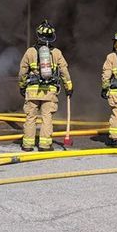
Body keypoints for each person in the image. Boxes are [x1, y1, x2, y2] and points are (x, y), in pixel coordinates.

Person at [18, 19, 73, 151]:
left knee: (30, 117)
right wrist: (69, 87)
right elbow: (64, 71)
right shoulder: (56, 53)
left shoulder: (30, 52)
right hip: (49, 91)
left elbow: (22, 72)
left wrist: (22, 85)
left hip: (32, 91)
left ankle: (27, 145)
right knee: (47, 117)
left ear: (38, 35)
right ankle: (45, 145)